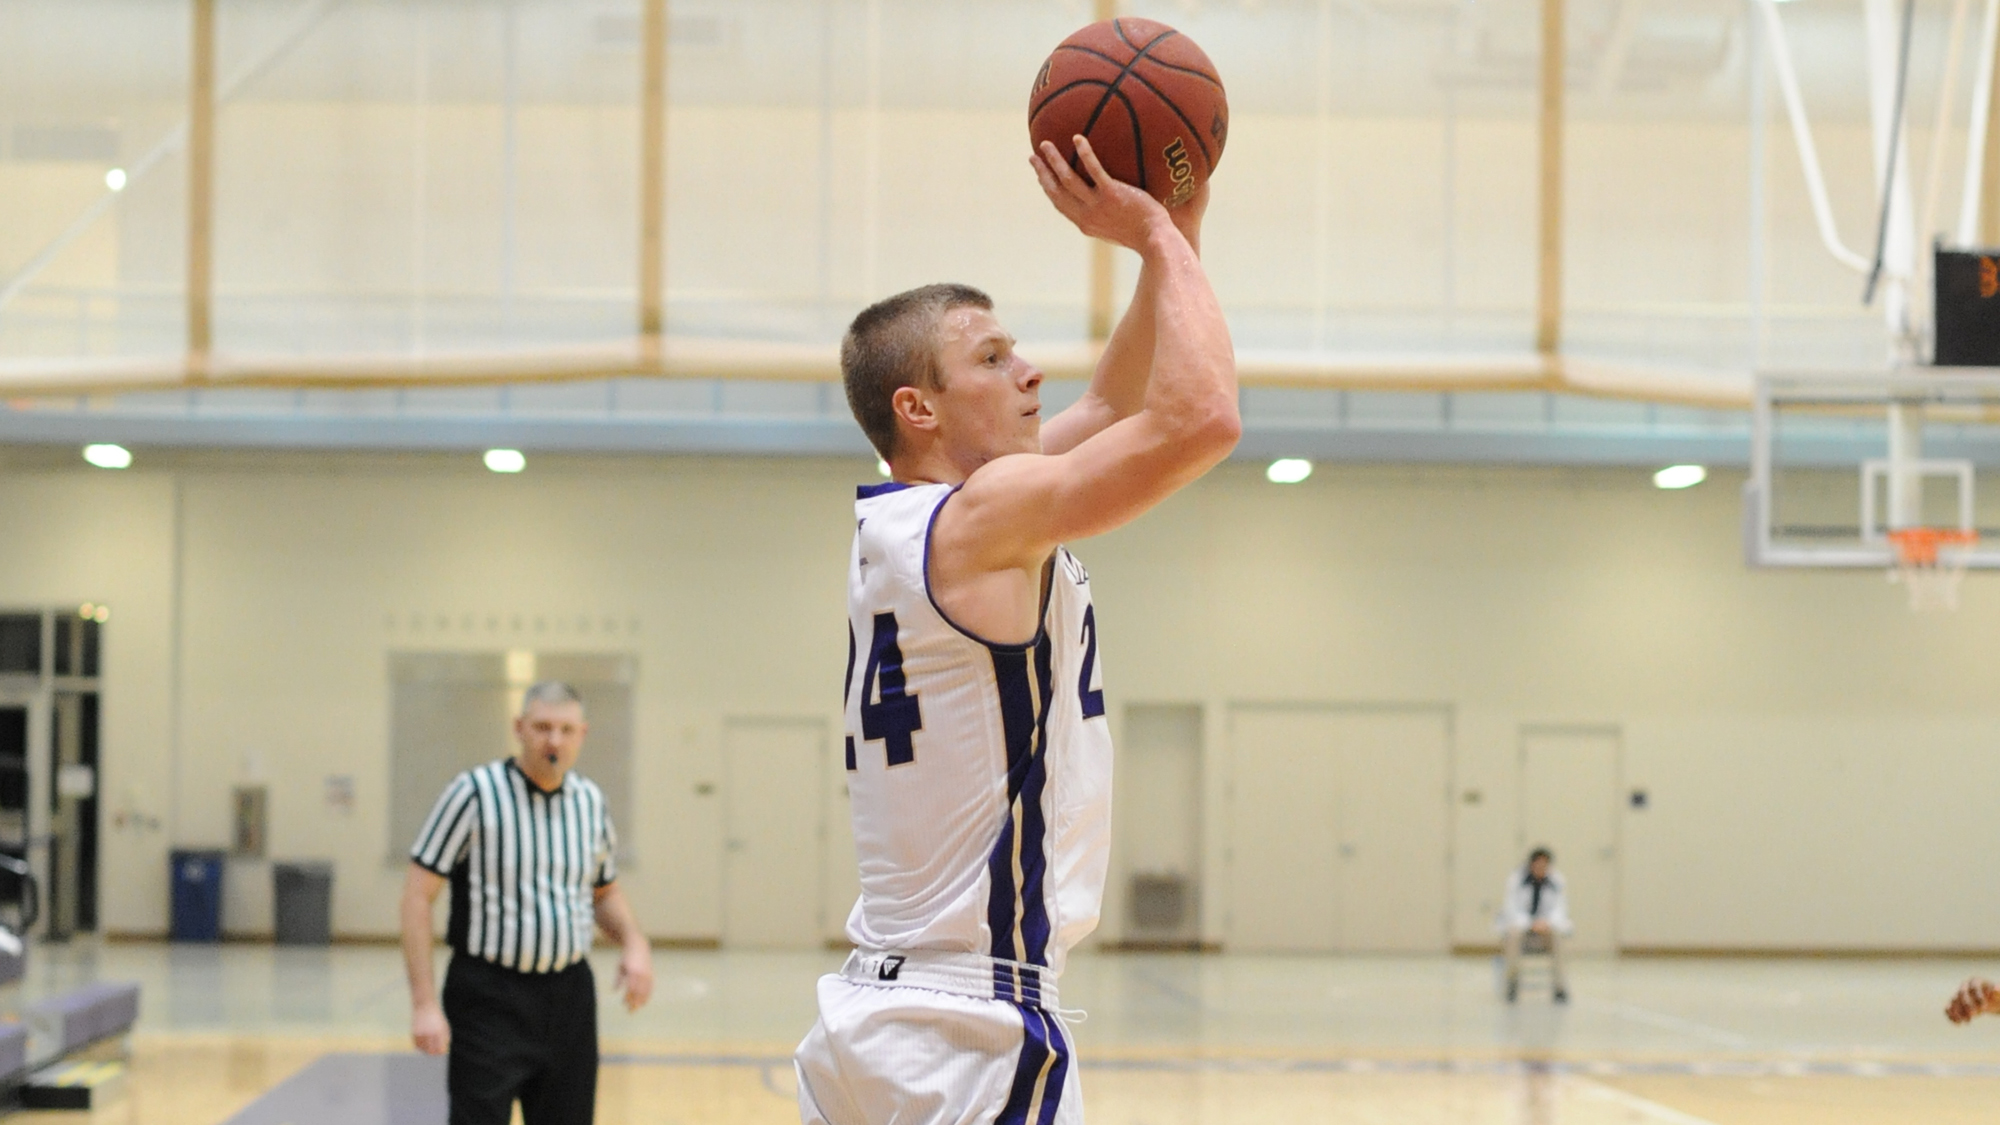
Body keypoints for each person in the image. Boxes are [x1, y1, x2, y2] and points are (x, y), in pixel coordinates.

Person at [792, 135, 1239, 1125]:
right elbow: (1202, 416)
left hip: (885, 1020)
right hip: (968, 1034)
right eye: (991, 359)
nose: (1031, 371)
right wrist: (1155, 237)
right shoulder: (979, 520)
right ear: (917, 408)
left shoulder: (930, 518)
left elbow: (1123, 400)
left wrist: (1182, 231)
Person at [400, 680, 654, 1125]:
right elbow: (418, 896)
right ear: (519, 727)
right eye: (542, 727)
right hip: (488, 997)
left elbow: (604, 890)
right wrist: (423, 1004)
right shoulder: (474, 794)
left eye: (565, 729)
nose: (553, 740)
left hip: (568, 999)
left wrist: (634, 942)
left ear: (582, 734)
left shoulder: (590, 802)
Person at [1499, 846, 1572, 1003]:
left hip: (1546, 928)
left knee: (1558, 937)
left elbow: (1560, 909)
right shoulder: (1516, 880)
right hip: (1523, 928)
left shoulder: (1556, 881)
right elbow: (1511, 909)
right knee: (1513, 935)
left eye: (1544, 865)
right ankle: (1512, 983)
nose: (1541, 868)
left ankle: (1560, 987)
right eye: (1538, 864)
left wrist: (1546, 923)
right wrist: (1531, 923)